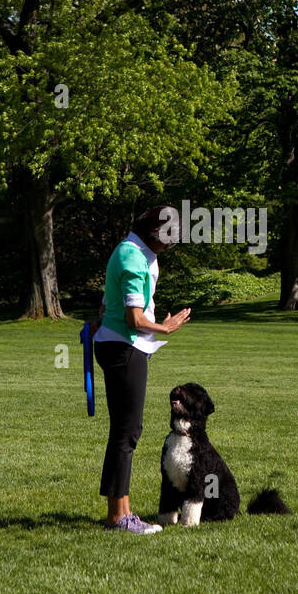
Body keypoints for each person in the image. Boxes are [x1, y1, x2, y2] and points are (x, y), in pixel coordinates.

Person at [90, 206, 191, 534]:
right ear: (154, 235)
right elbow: (134, 319)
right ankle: (119, 518)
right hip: (124, 347)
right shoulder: (133, 257)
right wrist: (166, 327)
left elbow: (109, 299)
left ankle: (119, 513)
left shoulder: (130, 249)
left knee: (123, 431)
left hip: (120, 344)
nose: (171, 247)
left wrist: (102, 318)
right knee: (127, 432)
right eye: (169, 241)